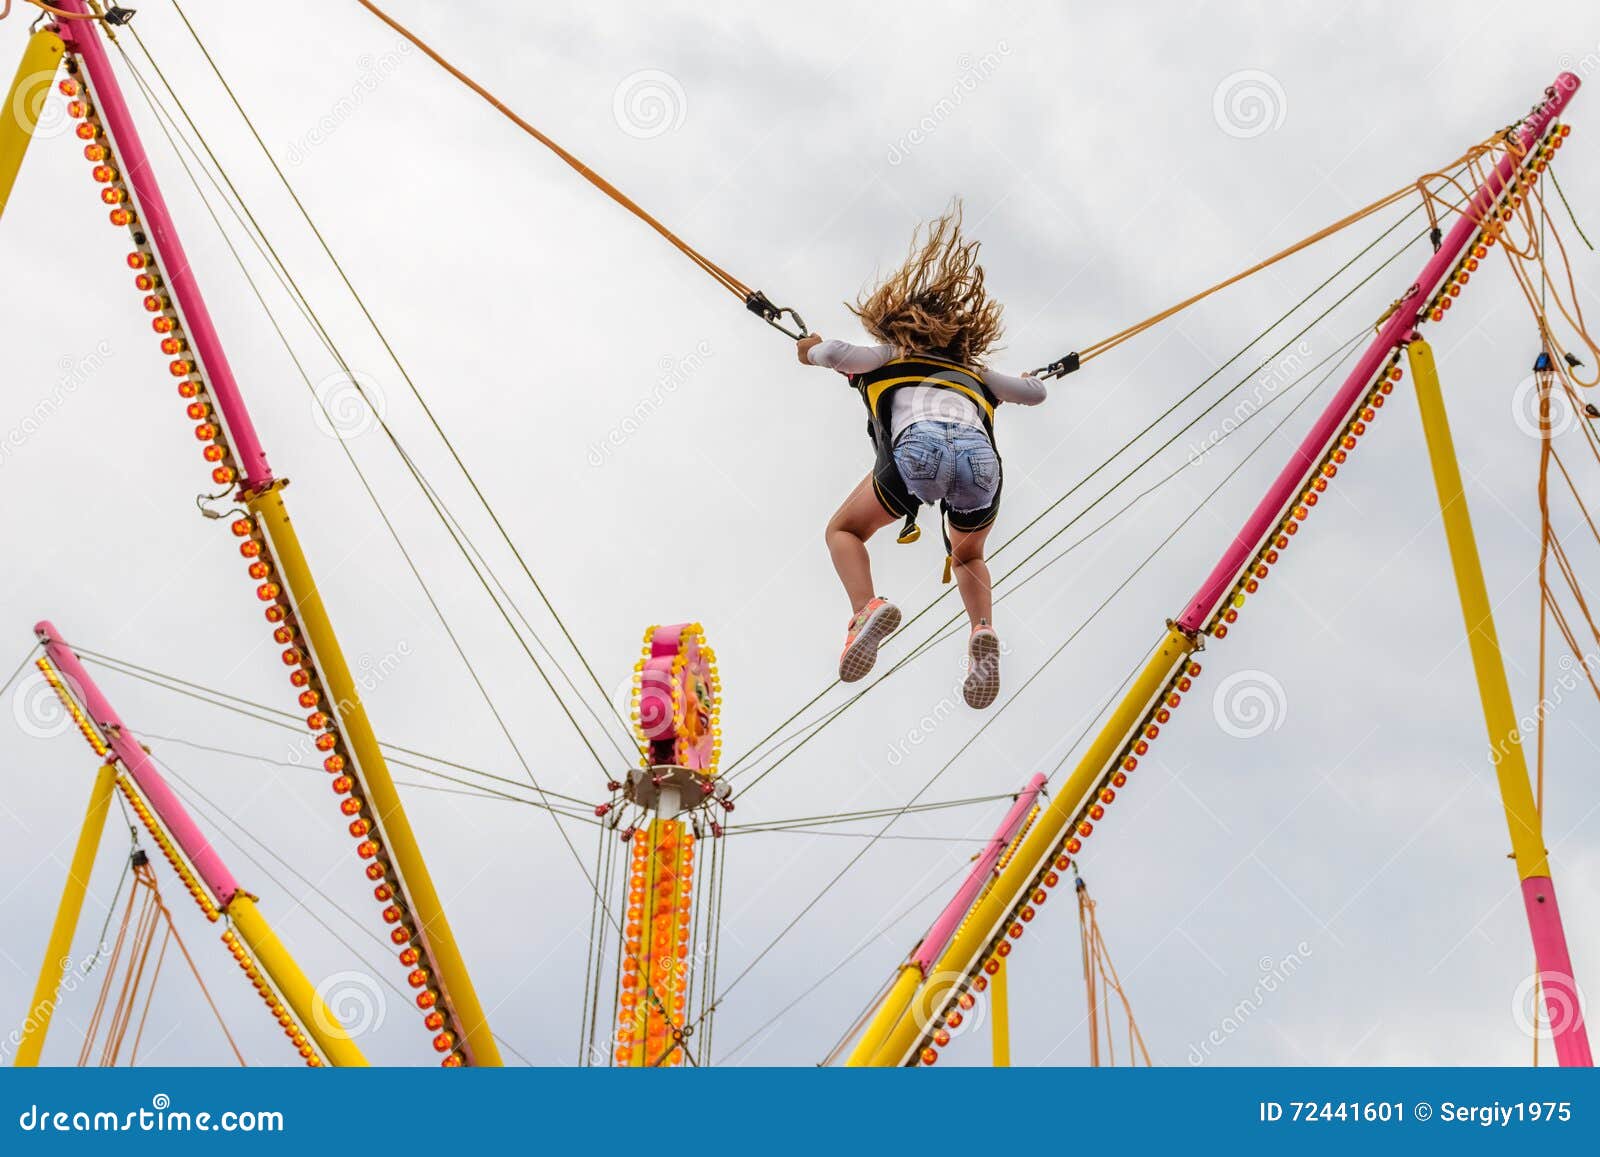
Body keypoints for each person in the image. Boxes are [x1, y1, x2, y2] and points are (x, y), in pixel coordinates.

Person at [797, 202, 1047, 709]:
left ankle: (866, 608)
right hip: (980, 465)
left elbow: (835, 354)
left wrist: (808, 348)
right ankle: (982, 629)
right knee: (968, 553)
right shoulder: (976, 373)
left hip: (920, 452)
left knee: (843, 531)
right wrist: (1033, 379)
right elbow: (1035, 394)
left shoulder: (890, 355)